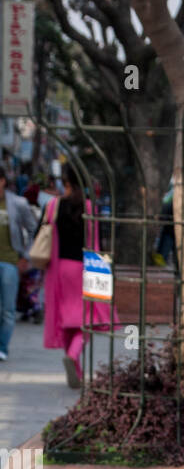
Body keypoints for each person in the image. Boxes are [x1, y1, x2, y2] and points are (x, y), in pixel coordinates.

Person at [42, 164, 103, 388]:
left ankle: (75, 369)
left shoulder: (53, 206)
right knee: (89, 319)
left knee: (67, 321)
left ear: (65, 182)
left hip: (59, 269)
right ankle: (73, 354)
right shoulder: (89, 207)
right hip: (84, 268)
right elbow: (96, 242)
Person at [0, 167, 36, 364]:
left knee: (7, 308)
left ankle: (2, 347)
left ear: (3, 181)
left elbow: (33, 229)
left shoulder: (17, 203)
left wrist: (26, 256)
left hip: (9, 262)